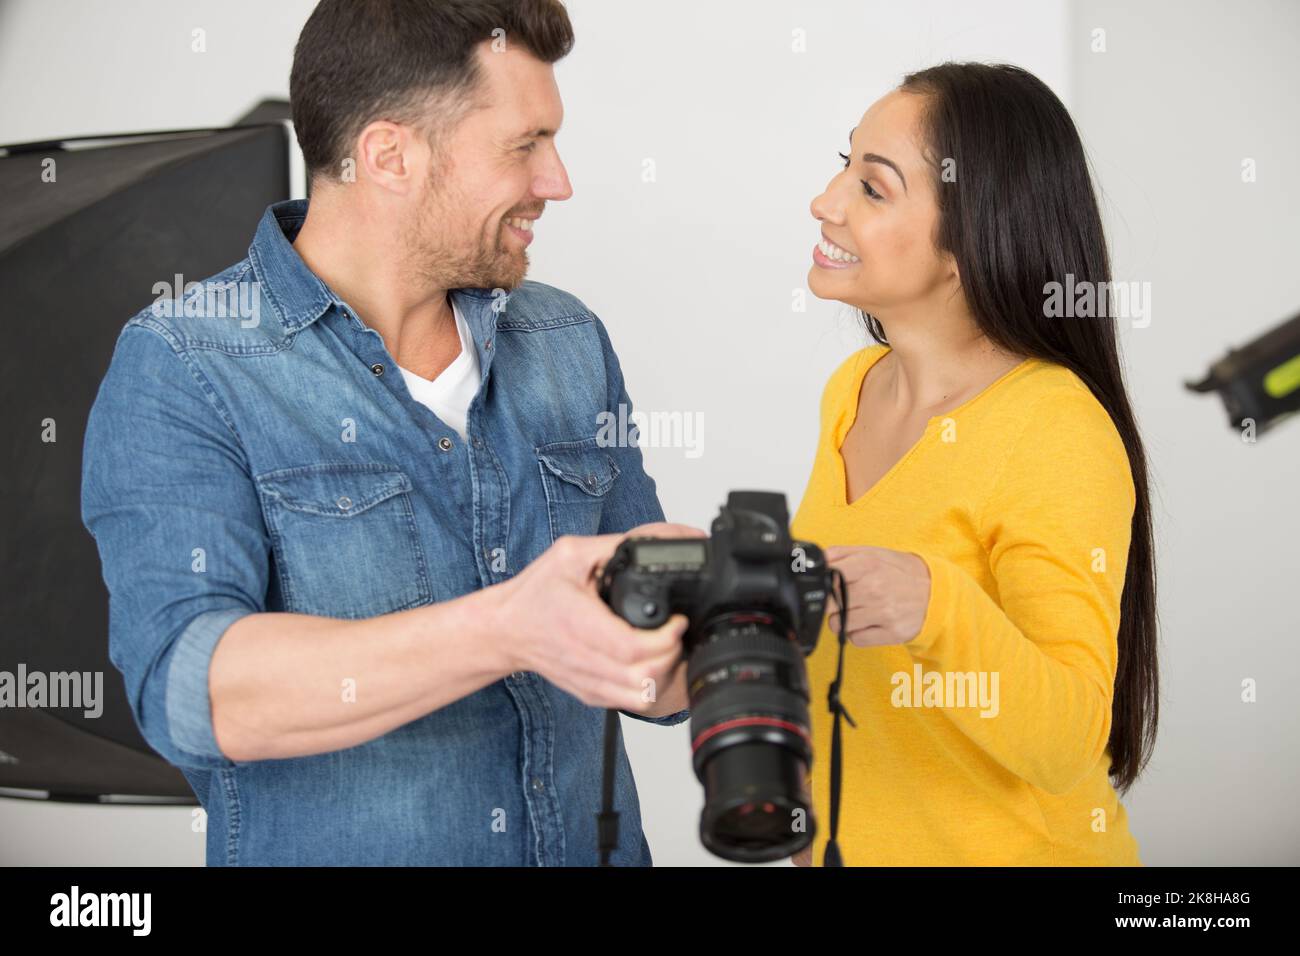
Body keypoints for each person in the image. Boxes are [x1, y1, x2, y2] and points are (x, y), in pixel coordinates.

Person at [80, 0, 699, 866]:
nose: (556, 182)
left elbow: (647, 675)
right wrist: (506, 628)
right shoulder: (187, 364)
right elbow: (192, 690)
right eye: (525, 146)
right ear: (389, 155)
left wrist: (703, 630)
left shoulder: (565, 340)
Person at [791, 62, 1159, 866]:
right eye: (844, 163)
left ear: (970, 244)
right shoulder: (852, 392)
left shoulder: (1054, 429)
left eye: (874, 188)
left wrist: (935, 606)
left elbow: (1068, 741)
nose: (826, 201)